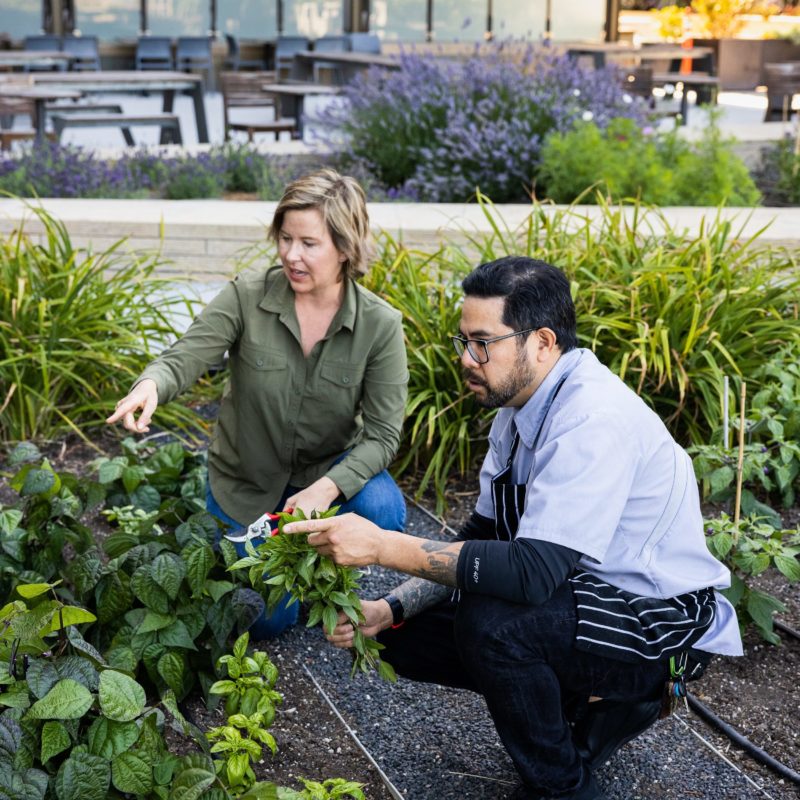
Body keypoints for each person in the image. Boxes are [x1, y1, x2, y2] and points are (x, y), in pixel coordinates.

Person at [280, 256, 744, 800]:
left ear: (542, 342)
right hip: (580, 595)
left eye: (483, 343)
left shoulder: (592, 420)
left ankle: (566, 785)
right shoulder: (519, 410)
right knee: (399, 636)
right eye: (463, 341)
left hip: (659, 623)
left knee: (494, 624)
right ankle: (578, 710)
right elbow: (482, 539)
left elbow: (529, 575)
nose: (466, 358)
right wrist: (391, 608)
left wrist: (382, 545)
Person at [107, 168, 408, 638]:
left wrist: (327, 488)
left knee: (384, 507)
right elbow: (186, 355)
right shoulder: (246, 295)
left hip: (323, 477)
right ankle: (283, 560)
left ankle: (319, 559)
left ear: (345, 248)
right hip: (246, 486)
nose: (291, 254)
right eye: (285, 238)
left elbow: (384, 435)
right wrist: (152, 385)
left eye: (309, 243)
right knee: (269, 620)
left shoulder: (380, 324)